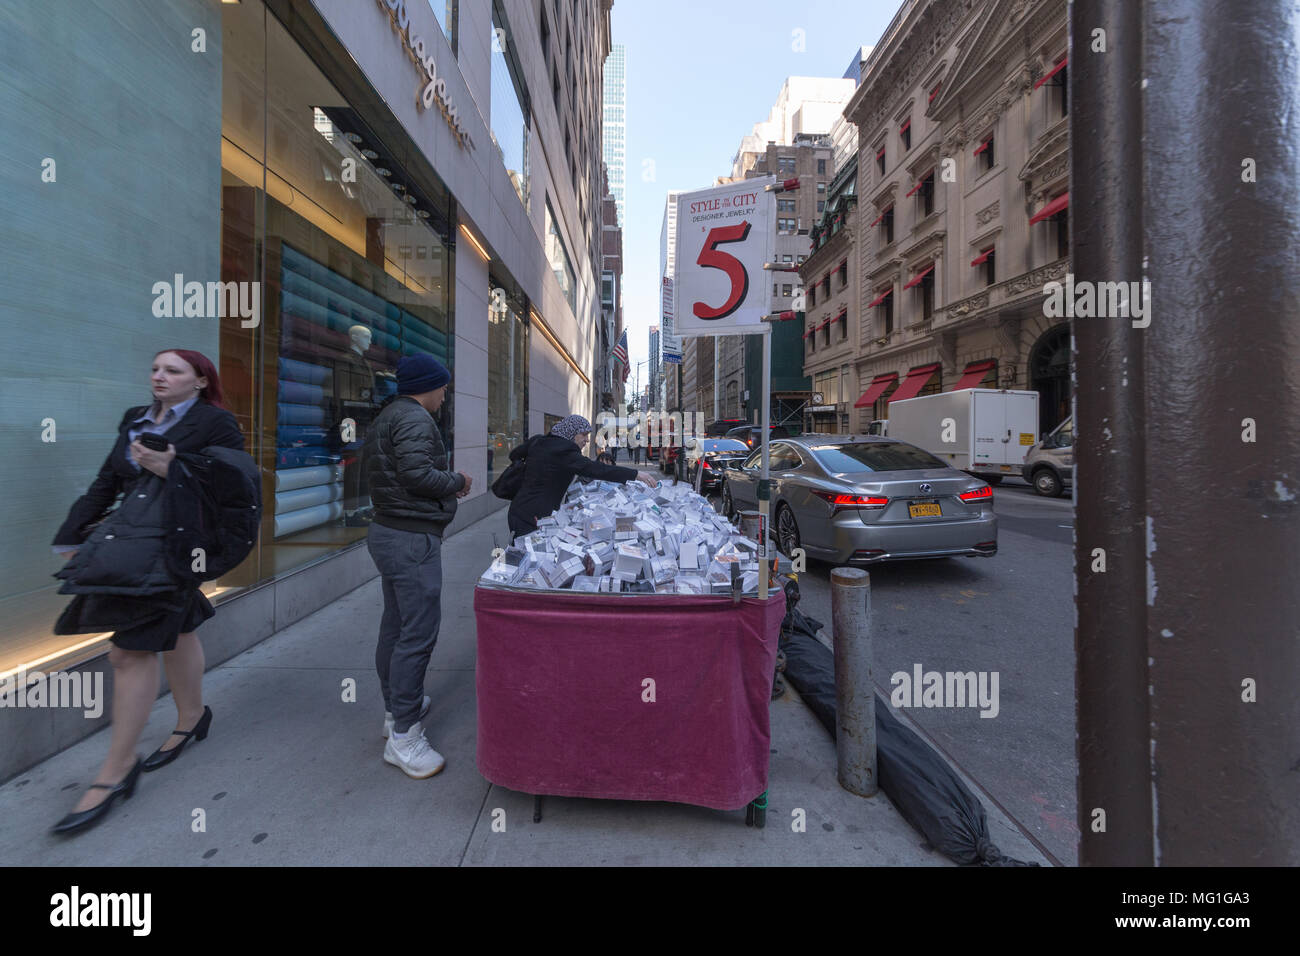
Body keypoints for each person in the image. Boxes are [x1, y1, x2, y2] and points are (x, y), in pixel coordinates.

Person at [49, 349, 245, 835]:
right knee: (176, 630)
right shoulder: (134, 419)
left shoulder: (216, 424)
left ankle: (116, 772)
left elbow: (233, 490)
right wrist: (72, 533)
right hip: (129, 549)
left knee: (127, 654)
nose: (159, 376)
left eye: (173, 370)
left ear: (200, 381)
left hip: (178, 550)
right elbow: (106, 480)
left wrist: (170, 467)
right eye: (156, 368)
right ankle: (193, 715)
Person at [362, 354, 470, 779]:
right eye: (442, 387)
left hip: (391, 533)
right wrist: (457, 482)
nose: (445, 395)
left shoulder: (390, 415)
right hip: (410, 539)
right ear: (429, 386)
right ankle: (405, 736)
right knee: (416, 634)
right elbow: (417, 475)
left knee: (397, 626)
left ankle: (396, 710)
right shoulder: (414, 419)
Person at [507, 414, 659, 541]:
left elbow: (514, 454)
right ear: (572, 433)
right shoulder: (564, 453)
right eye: (584, 435)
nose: (587, 440)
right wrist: (636, 474)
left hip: (521, 508)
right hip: (531, 516)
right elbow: (598, 470)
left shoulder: (540, 441)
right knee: (526, 557)